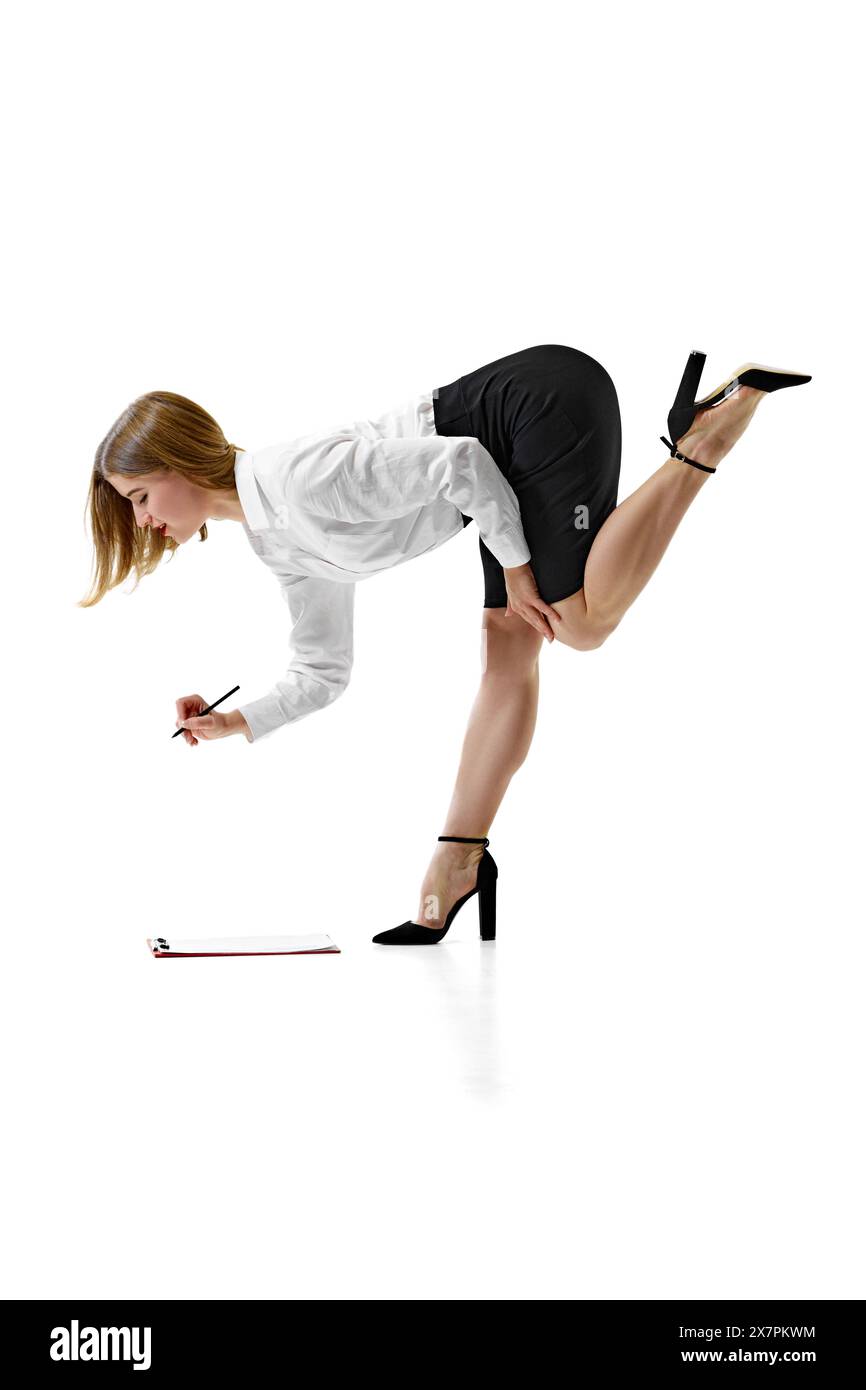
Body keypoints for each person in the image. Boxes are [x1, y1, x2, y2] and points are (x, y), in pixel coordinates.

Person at [79, 343, 810, 944]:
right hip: (499, 463)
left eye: (139, 497)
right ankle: (459, 864)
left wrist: (519, 569)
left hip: (538, 403)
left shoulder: (294, 482)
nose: (141, 522)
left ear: (178, 465)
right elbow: (323, 670)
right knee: (510, 649)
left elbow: (458, 462)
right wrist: (234, 720)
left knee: (577, 622)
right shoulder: (277, 542)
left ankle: (699, 443)